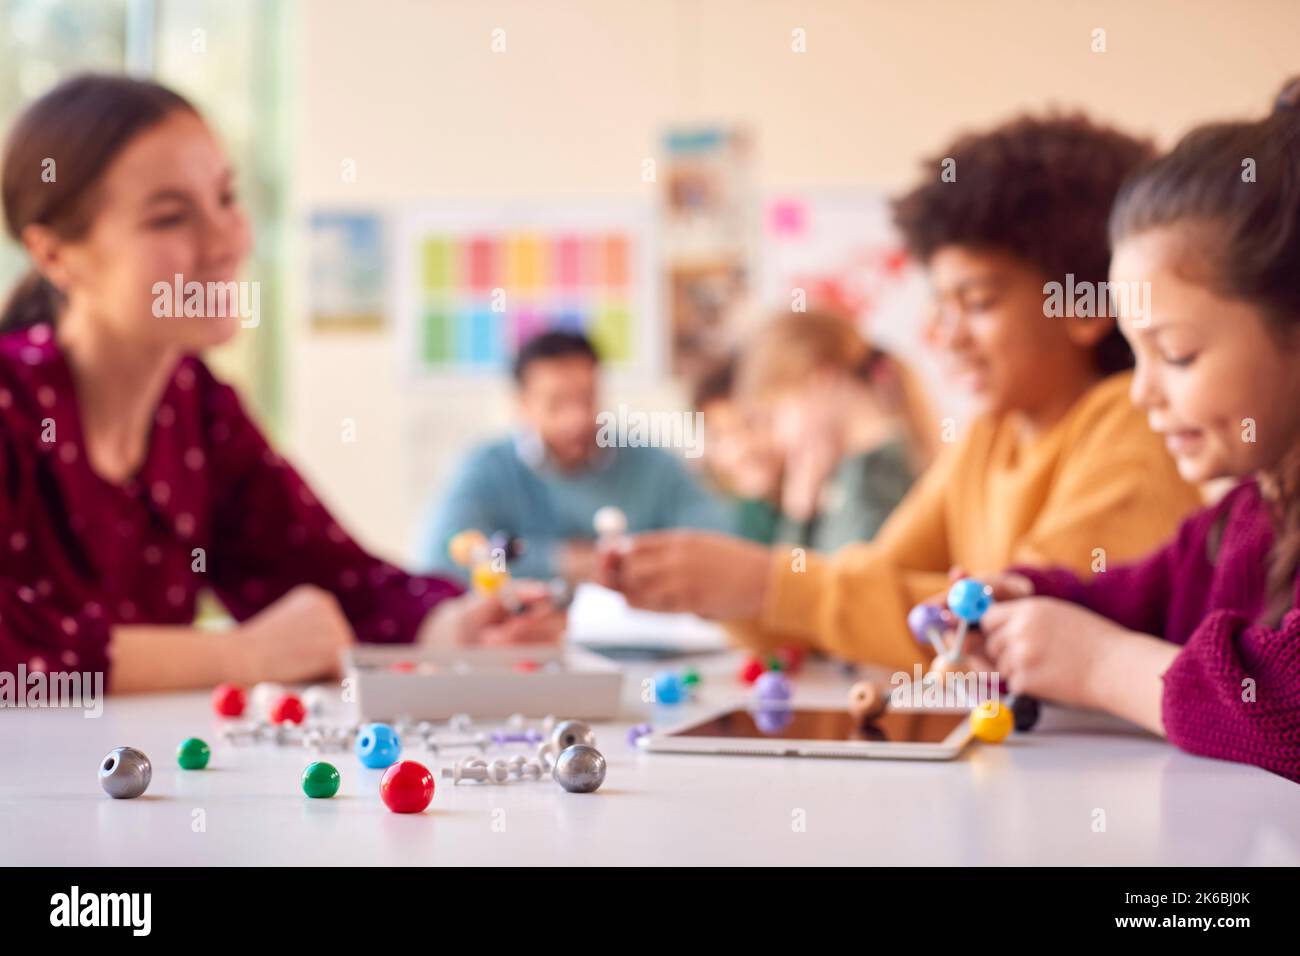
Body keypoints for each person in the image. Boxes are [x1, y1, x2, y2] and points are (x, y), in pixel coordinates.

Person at [0, 74, 562, 693]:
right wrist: (241, 658)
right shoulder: (11, 404)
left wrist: (463, 625)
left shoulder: (200, 409)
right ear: (55, 255)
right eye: (169, 218)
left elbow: (335, 578)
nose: (225, 242)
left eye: (225, 199)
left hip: (134, 783)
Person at [600, 112, 1204, 670]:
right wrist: (712, 589)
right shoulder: (991, 436)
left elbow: (1021, 628)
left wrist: (766, 584)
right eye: (940, 305)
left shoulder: (1132, 427)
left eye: (978, 301)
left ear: (1086, 304)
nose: (945, 334)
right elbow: (867, 586)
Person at [974, 79, 1300, 782]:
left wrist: (1101, 665)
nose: (1143, 391)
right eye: (1136, 352)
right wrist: (1025, 601)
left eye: (1177, 353)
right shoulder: (1247, 514)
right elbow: (1138, 599)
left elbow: (1289, 705)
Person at [418, 329, 735, 583]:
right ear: (522, 405)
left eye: (587, 398)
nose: (577, 419)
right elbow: (441, 559)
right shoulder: (487, 468)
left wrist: (638, 562)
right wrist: (564, 561)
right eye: (556, 404)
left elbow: (720, 544)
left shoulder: (652, 464)